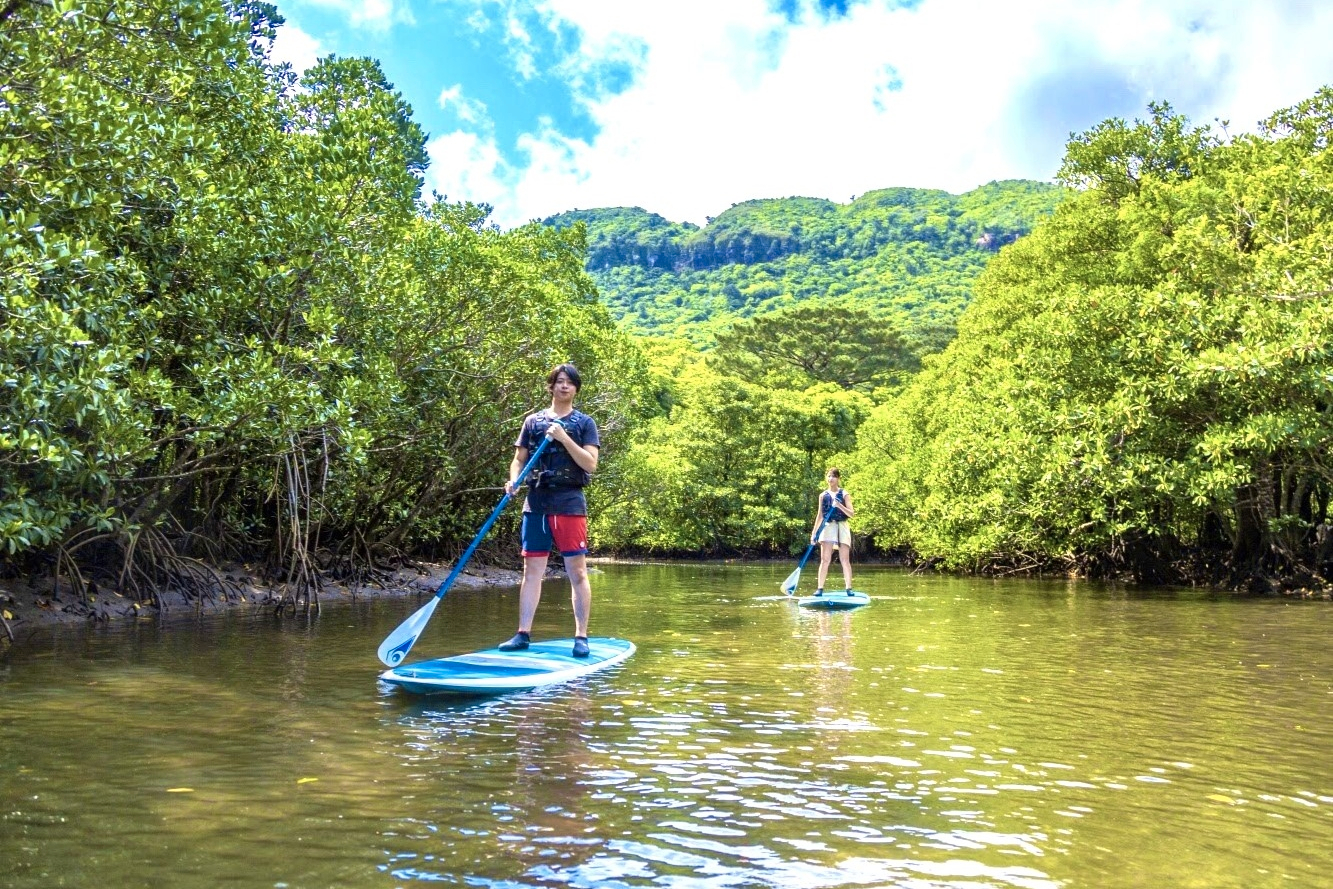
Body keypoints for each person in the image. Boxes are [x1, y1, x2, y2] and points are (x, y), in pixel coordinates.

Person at [499, 363, 601, 658]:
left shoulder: (584, 423)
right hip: (537, 503)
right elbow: (519, 459)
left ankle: (581, 636)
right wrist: (513, 479)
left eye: (569, 382)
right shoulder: (532, 421)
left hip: (569, 503)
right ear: (551, 386)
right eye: (559, 381)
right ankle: (522, 634)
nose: (564, 386)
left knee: (577, 572)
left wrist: (564, 437)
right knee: (531, 571)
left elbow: (590, 464)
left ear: (576, 389)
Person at [811, 467, 854, 596]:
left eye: (833, 476)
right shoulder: (823, 495)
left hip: (842, 526)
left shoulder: (844, 494)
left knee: (844, 560)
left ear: (838, 478)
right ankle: (820, 588)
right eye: (829, 476)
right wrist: (814, 533)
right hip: (828, 527)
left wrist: (839, 505)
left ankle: (848, 588)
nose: (831, 479)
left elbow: (851, 514)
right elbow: (820, 515)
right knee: (825, 560)